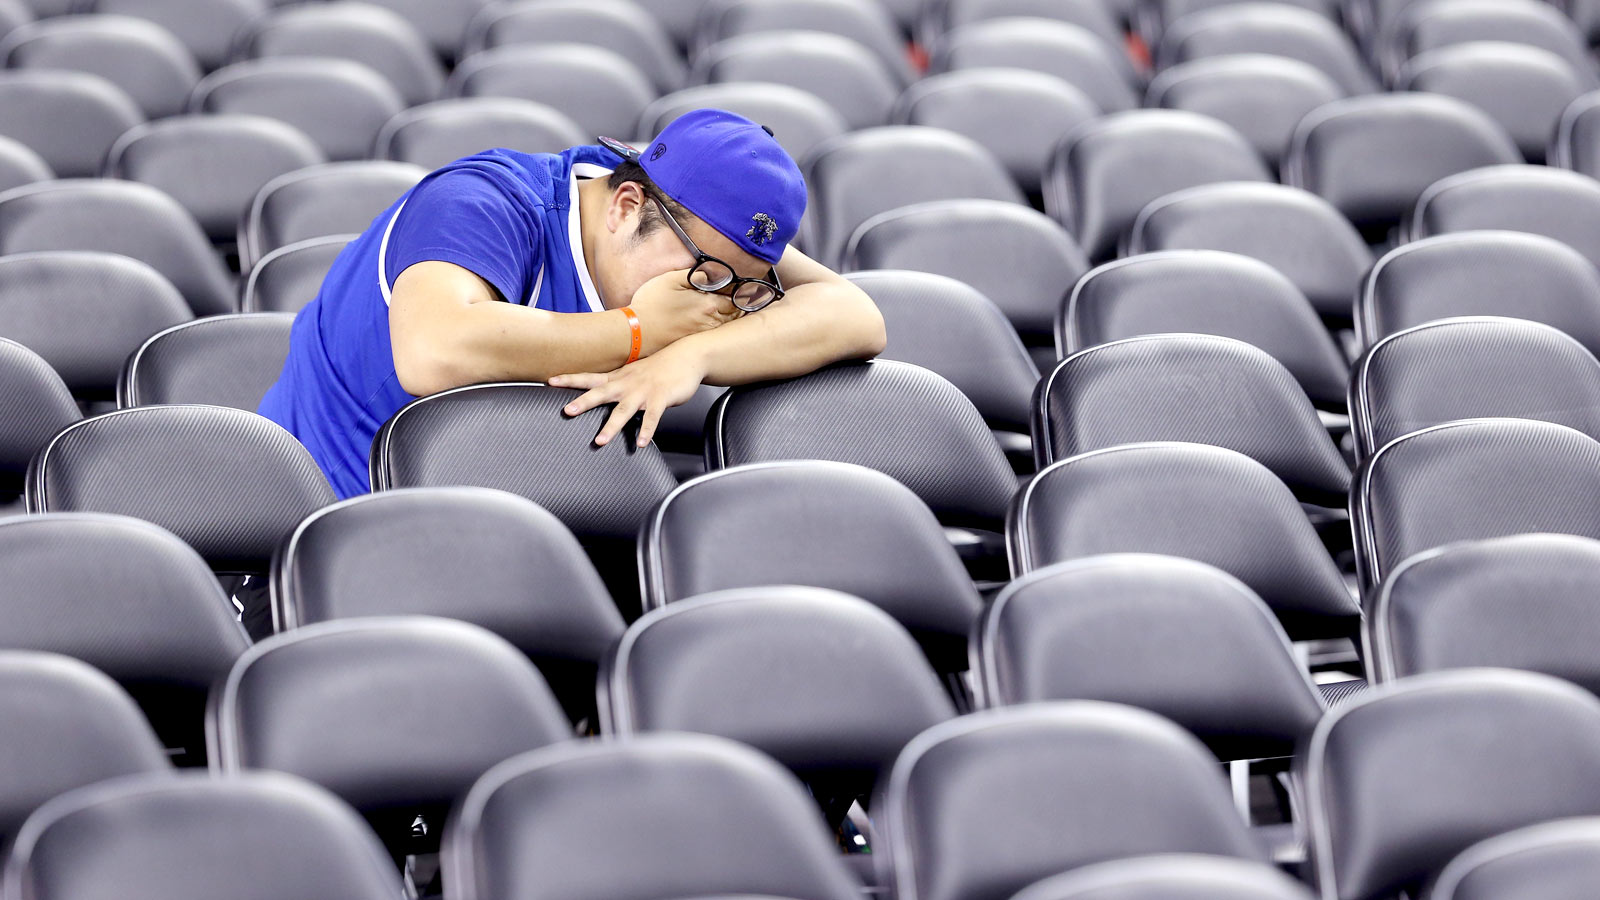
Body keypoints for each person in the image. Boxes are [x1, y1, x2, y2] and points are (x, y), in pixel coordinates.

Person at [258, 108, 886, 499]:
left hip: (514, 514)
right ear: (626, 207)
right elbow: (432, 351)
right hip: (323, 527)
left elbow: (855, 315)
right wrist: (639, 332)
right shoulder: (485, 202)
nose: (717, 298)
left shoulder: (700, 236)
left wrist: (690, 357)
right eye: (707, 274)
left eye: (741, 287)